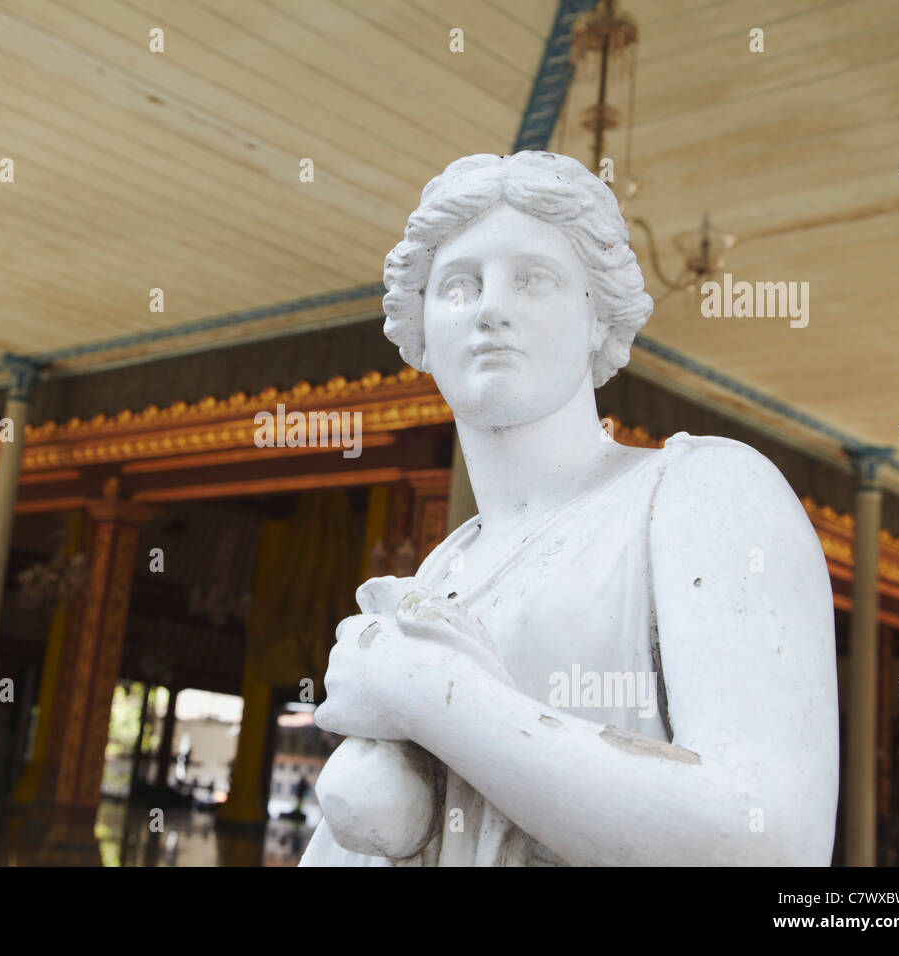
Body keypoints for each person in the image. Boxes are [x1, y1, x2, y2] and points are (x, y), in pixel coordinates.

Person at [300, 151, 839, 867]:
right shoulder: (444, 567)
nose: (493, 307)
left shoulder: (705, 494)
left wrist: (433, 695)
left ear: (598, 317)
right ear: (421, 333)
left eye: (535, 279)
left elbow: (769, 838)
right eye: (460, 285)